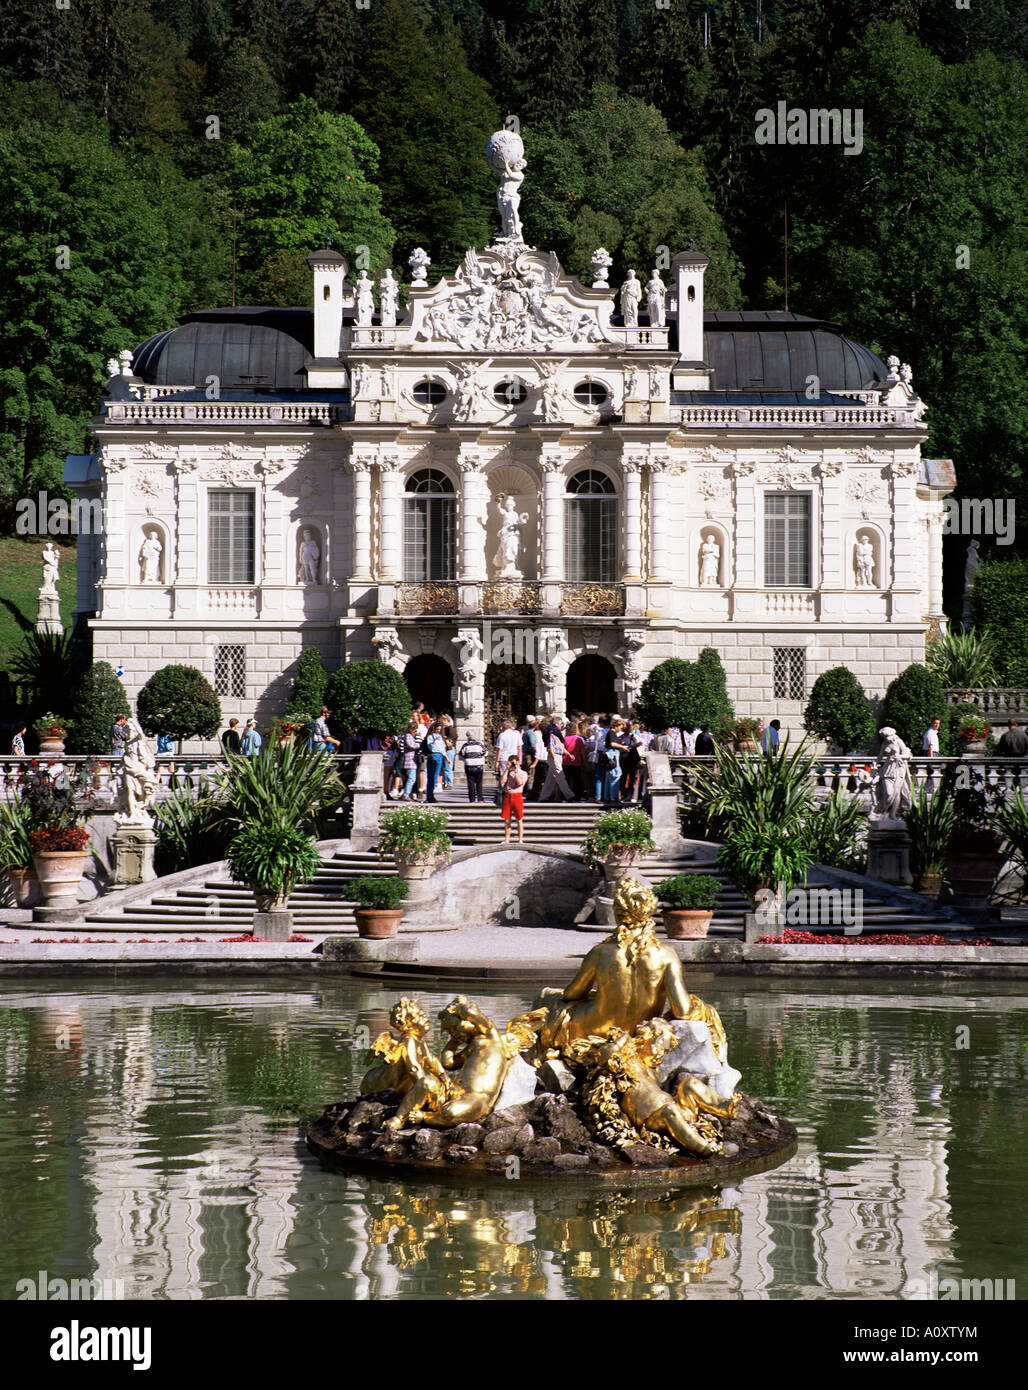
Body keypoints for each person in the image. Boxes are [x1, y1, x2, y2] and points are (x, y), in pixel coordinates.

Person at [539, 717, 573, 801]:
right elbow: (550, 747)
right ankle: (570, 795)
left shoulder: (556, 733)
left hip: (556, 756)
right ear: (557, 723)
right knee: (561, 776)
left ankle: (543, 797)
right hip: (555, 756)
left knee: (550, 779)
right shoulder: (553, 733)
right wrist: (554, 758)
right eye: (561, 724)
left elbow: (560, 747)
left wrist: (569, 754)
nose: (562, 726)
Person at [500, 754, 528, 844]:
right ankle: (507, 840)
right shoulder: (508, 772)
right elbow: (502, 781)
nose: (513, 764)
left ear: (518, 762)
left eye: (514, 763)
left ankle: (520, 840)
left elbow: (520, 783)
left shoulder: (523, 773)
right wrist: (507, 769)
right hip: (507, 796)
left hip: (517, 796)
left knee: (519, 819)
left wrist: (515, 772)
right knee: (507, 819)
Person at [604, 718, 630, 803]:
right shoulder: (612, 733)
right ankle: (613, 797)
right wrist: (622, 747)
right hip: (612, 755)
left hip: (611, 755)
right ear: (617, 726)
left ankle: (607, 797)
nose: (621, 730)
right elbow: (612, 743)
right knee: (615, 776)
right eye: (621, 727)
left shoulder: (612, 733)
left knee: (608, 777)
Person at [458, 730, 487, 802]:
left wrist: (466, 759)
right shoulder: (479, 744)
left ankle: (472, 799)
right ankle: (480, 799)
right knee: (479, 782)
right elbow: (485, 752)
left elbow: (461, 754)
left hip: (469, 765)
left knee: (470, 782)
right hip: (478, 765)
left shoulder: (465, 745)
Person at [424, 721, 447, 802]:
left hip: (440, 756)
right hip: (433, 755)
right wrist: (433, 742)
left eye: (440, 729)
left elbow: (442, 748)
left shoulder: (441, 737)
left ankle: (430, 795)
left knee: (434, 776)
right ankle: (429, 795)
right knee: (432, 776)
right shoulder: (430, 736)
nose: (438, 731)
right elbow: (430, 746)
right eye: (437, 729)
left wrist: (446, 757)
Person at [562, 720, 585, 800]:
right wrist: (584, 760)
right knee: (576, 780)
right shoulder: (579, 739)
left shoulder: (564, 739)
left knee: (566, 780)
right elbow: (582, 752)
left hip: (565, 761)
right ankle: (577, 796)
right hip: (576, 761)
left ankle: (566, 796)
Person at [400, 720, 421, 799]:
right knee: (411, 778)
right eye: (415, 730)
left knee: (411, 778)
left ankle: (407, 793)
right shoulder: (408, 736)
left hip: (412, 760)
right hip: (409, 760)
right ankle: (406, 794)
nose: (416, 732)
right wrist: (418, 744)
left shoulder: (411, 736)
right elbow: (411, 745)